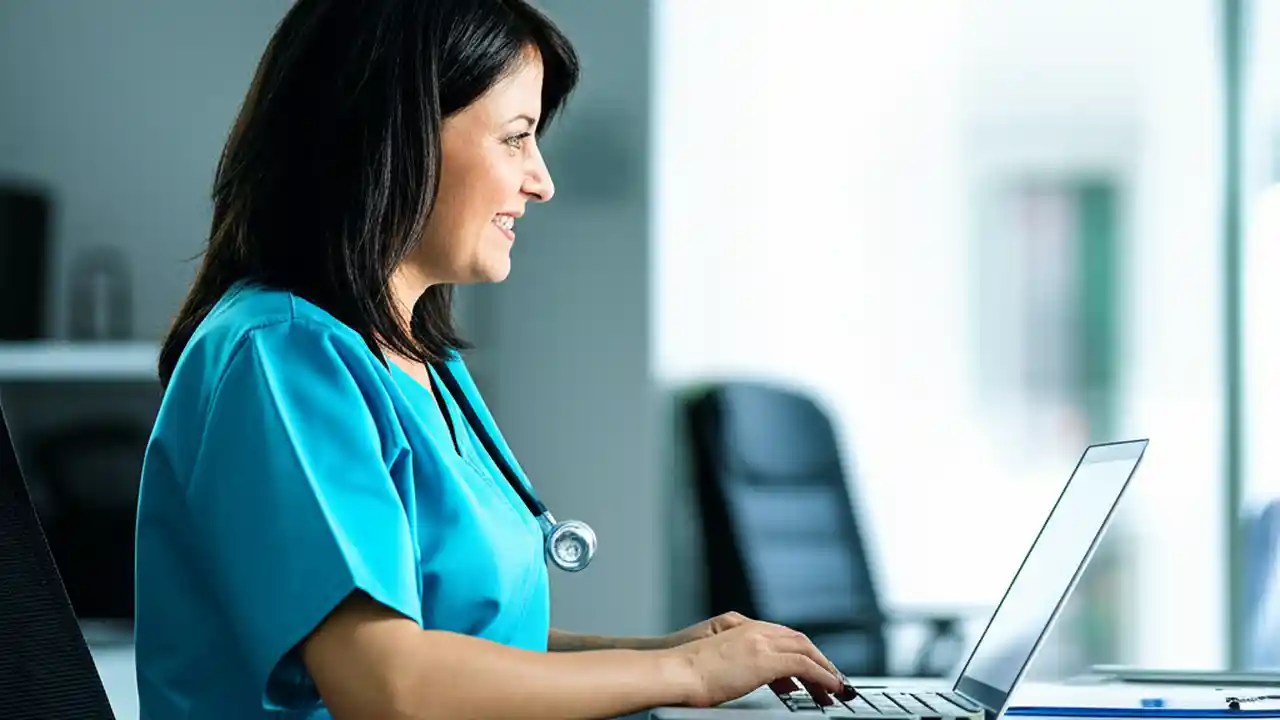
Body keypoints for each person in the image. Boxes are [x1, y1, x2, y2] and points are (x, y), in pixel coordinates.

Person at [135, 1, 848, 718]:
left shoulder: (421, 358)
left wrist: (668, 654)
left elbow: (468, 645)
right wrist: (686, 674)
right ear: (396, 135)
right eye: (516, 138)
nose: (541, 181)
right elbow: (388, 684)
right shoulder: (283, 356)